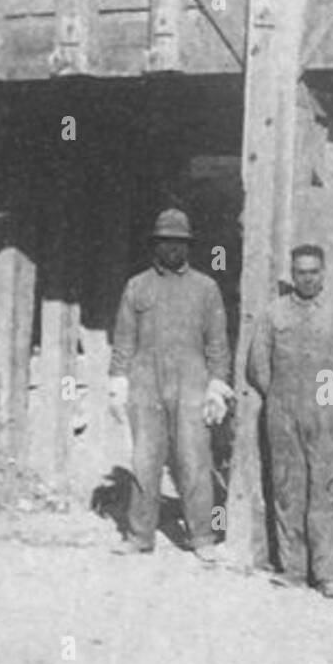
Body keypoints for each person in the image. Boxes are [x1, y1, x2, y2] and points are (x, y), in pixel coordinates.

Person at [108, 207, 232, 563]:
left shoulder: (207, 288)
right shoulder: (137, 286)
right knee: (144, 459)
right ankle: (139, 535)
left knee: (194, 459)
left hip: (192, 382)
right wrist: (118, 381)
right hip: (146, 382)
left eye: (179, 243)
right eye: (166, 242)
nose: (173, 249)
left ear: (189, 247)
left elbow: (218, 345)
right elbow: (124, 340)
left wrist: (217, 385)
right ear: (155, 245)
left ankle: (203, 536)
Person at [247, 244, 333, 598]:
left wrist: (330, 399)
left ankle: (328, 574)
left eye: (314, 272)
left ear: (324, 274)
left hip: (327, 415)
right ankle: (294, 569)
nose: (307, 278)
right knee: (287, 490)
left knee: (327, 492)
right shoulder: (274, 313)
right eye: (301, 272)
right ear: (292, 273)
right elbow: (257, 366)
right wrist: (282, 397)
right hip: (283, 413)